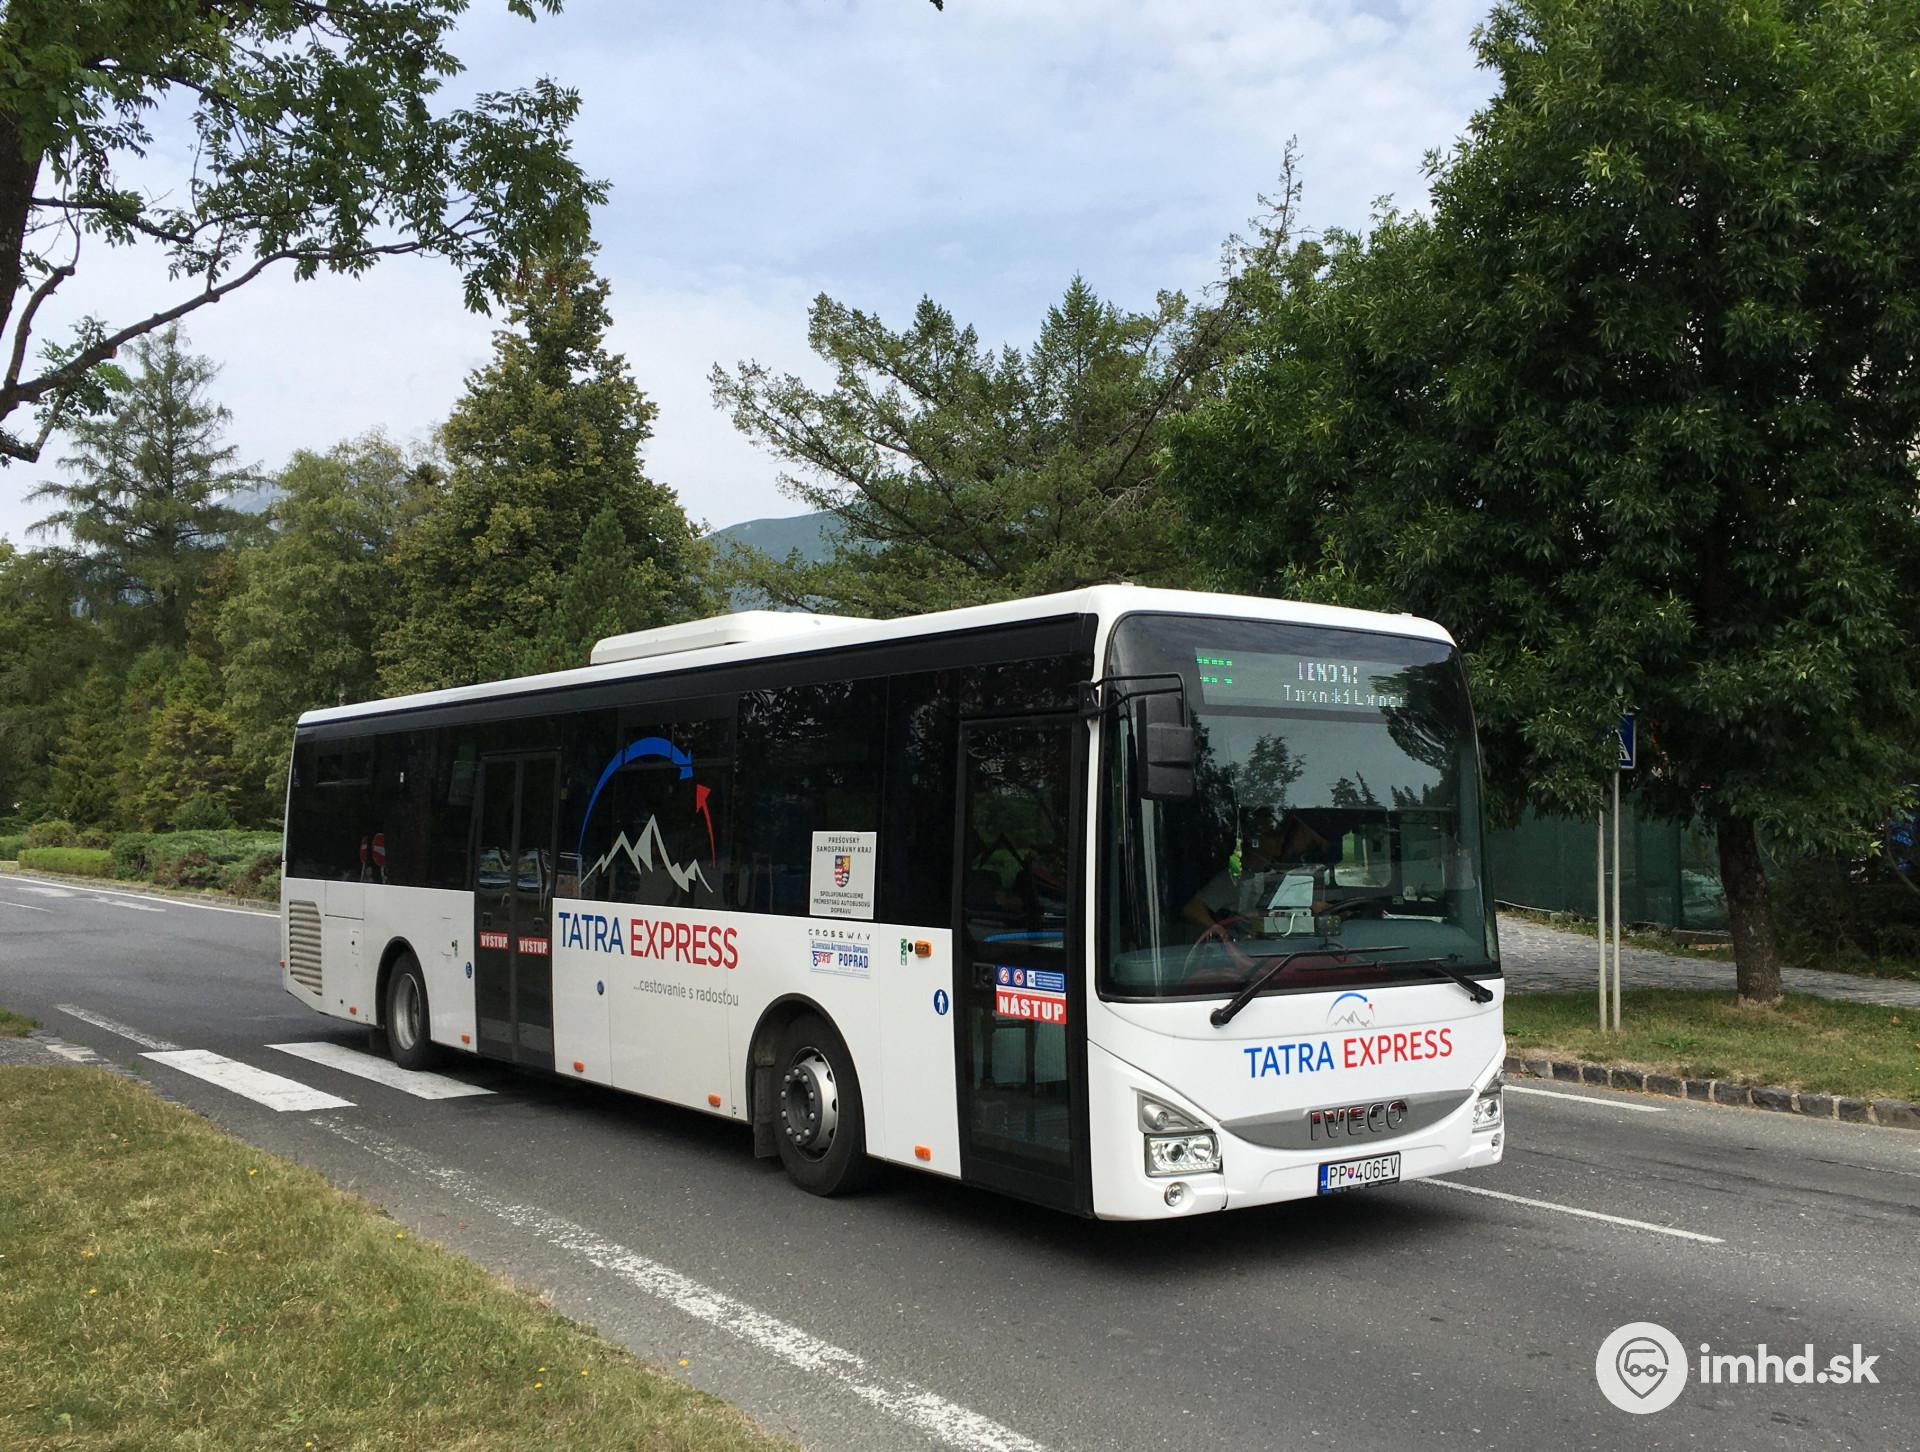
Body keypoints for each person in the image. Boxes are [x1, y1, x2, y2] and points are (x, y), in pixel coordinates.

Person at [1181, 811, 1335, 932]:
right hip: (1250, 951)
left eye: (1280, 834)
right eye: (1272, 835)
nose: (1280, 839)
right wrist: (1219, 932)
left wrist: (1317, 907)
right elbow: (1192, 909)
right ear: (1253, 840)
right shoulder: (1234, 878)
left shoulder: (1277, 872)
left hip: (1284, 945)